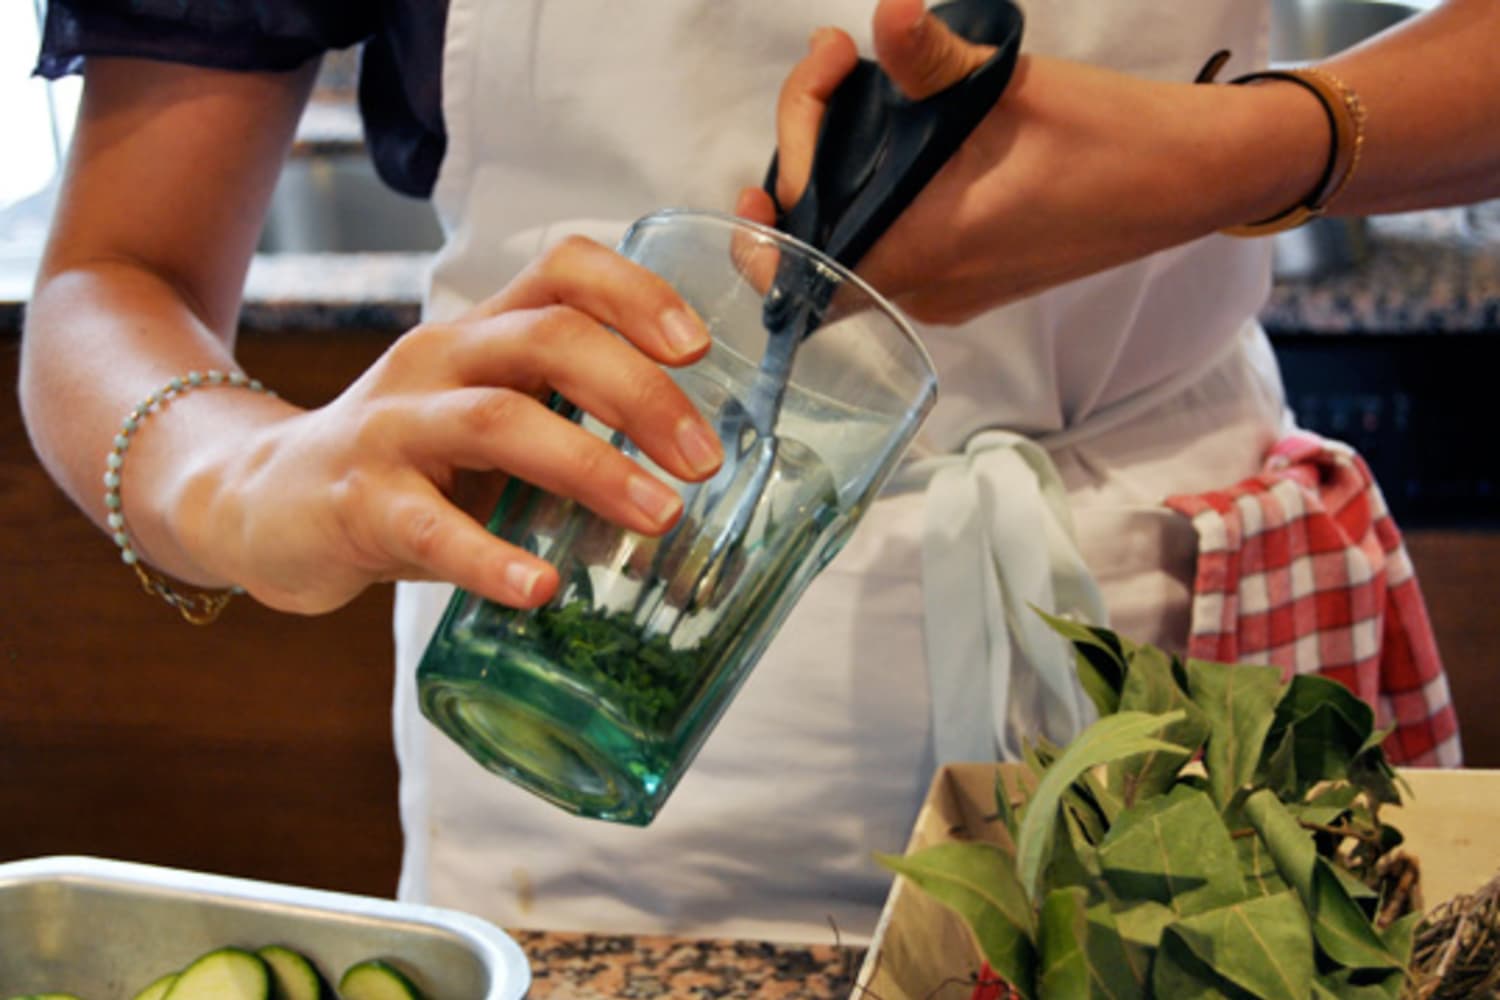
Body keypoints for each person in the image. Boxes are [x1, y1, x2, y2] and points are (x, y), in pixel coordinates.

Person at [21, 0, 1496, 943]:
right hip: (583, 773)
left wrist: (1250, 148)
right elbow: (115, 275)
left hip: (1168, 651)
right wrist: (250, 479)